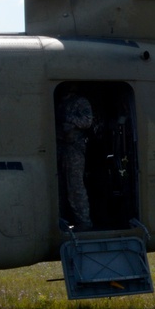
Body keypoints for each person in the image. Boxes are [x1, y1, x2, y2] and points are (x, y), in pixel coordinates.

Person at [57, 90, 97, 231]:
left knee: (75, 186)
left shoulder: (80, 101)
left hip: (74, 148)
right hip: (60, 146)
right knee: (60, 186)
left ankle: (84, 221)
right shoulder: (60, 102)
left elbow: (87, 120)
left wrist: (71, 122)